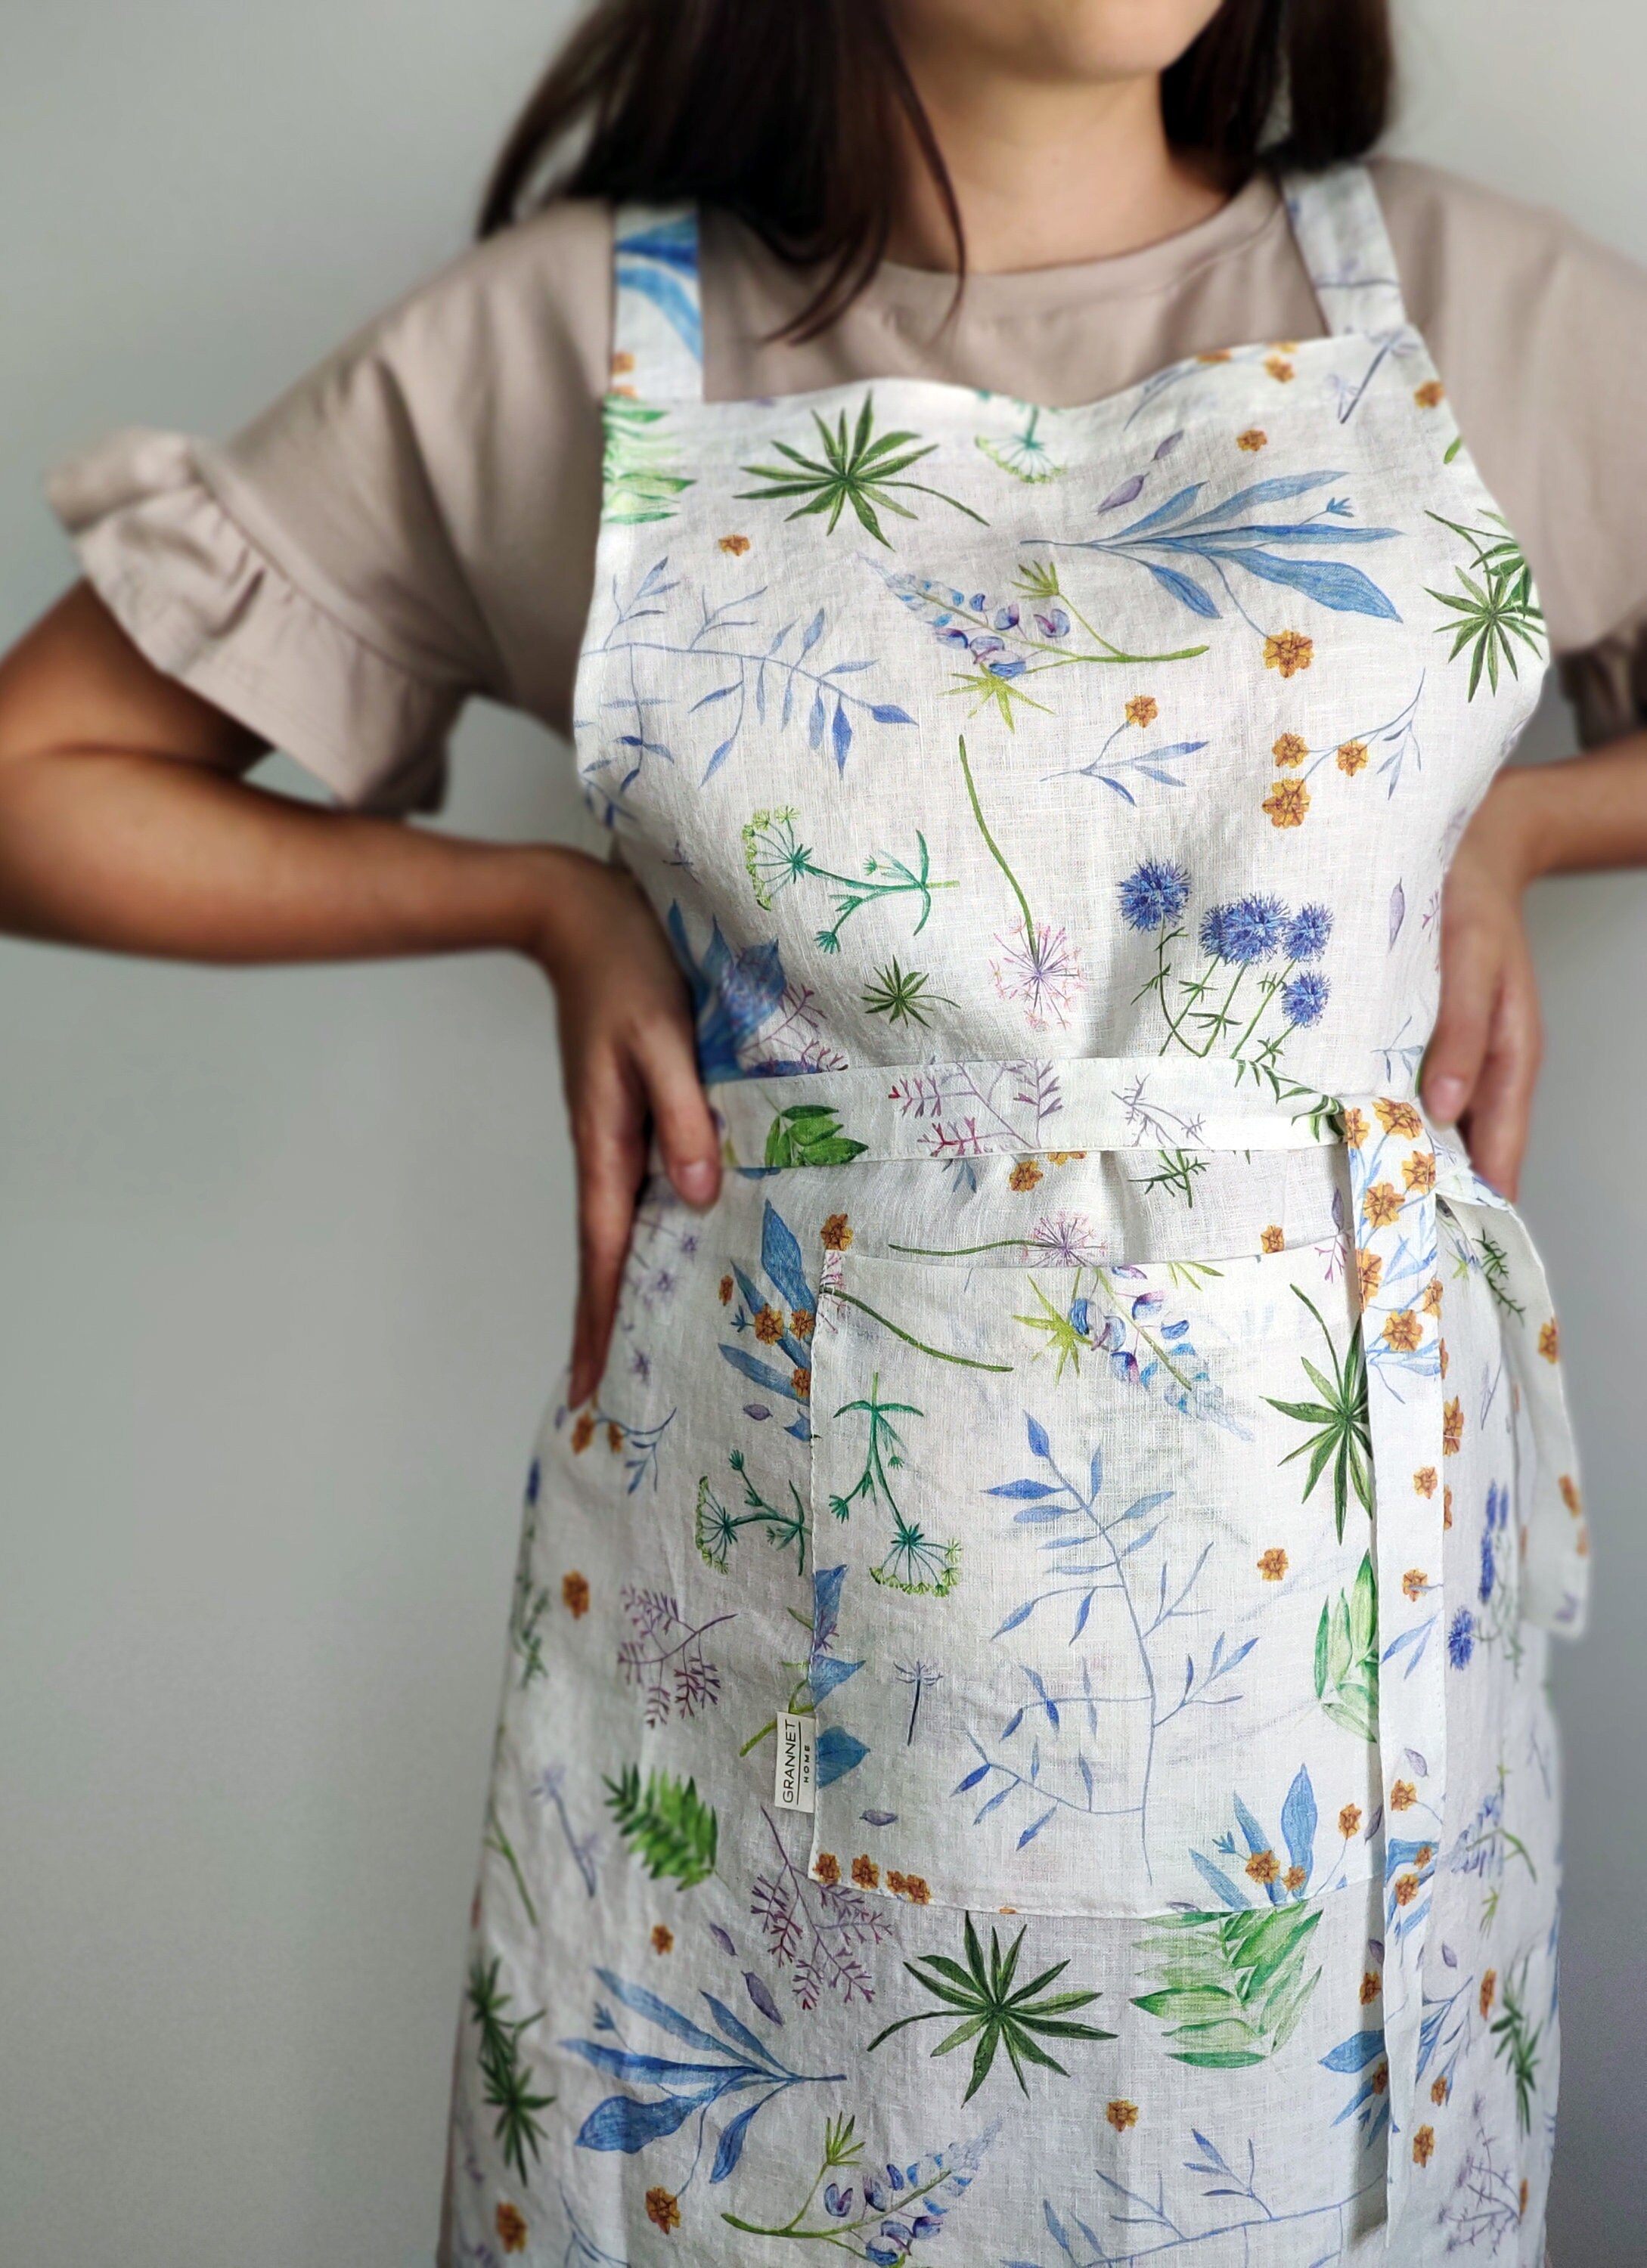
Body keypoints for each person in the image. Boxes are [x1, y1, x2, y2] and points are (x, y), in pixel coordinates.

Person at [2, 2, 1639, 2258]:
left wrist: (1529, 818)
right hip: (772, 1686)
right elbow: (41, 780)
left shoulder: (1465, 308)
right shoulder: (568, 349)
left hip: (1318, 1716)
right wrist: (535, 904)